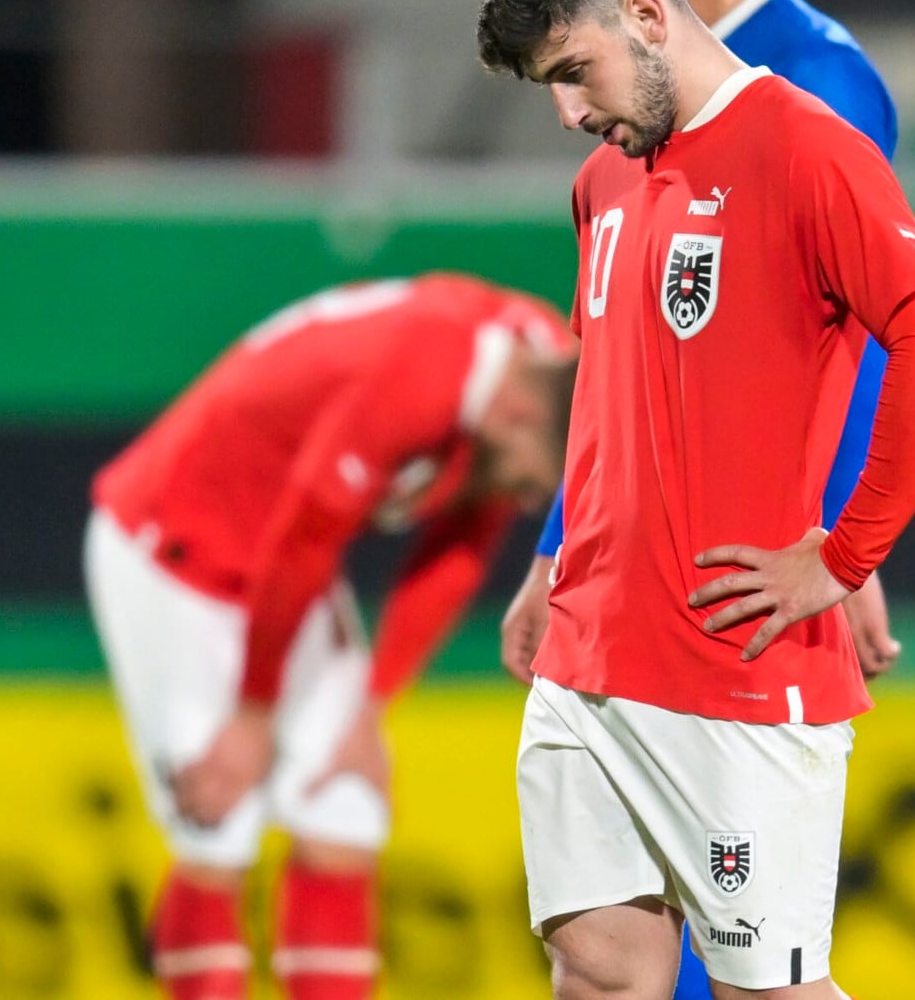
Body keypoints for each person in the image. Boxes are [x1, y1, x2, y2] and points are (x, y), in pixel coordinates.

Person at [475, 0, 915, 999]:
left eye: (574, 69)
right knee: (600, 968)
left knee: (772, 991)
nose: (567, 111)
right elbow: (616, 402)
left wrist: (845, 557)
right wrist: (550, 560)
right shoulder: (603, 179)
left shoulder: (808, 148)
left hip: (735, 673)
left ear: (650, 16)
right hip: (586, 658)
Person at [505, 0, 903, 706]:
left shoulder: (814, 80)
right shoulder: (637, 89)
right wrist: (556, 545)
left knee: (751, 845)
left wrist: (844, 547)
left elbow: (877, 325)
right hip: (642, 573)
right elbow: (621, 360)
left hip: (755, 571)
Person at [87, 274, 575, 999]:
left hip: (283, 571)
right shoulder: (419, 372)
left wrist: (370, 709)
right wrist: (252, 716)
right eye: (538, 482)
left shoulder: (546, 365)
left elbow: (459, 547)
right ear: (514, 418)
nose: (534, 499)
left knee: (345, 806)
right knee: (218, 823)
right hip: (169, 548)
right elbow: (305, 540)